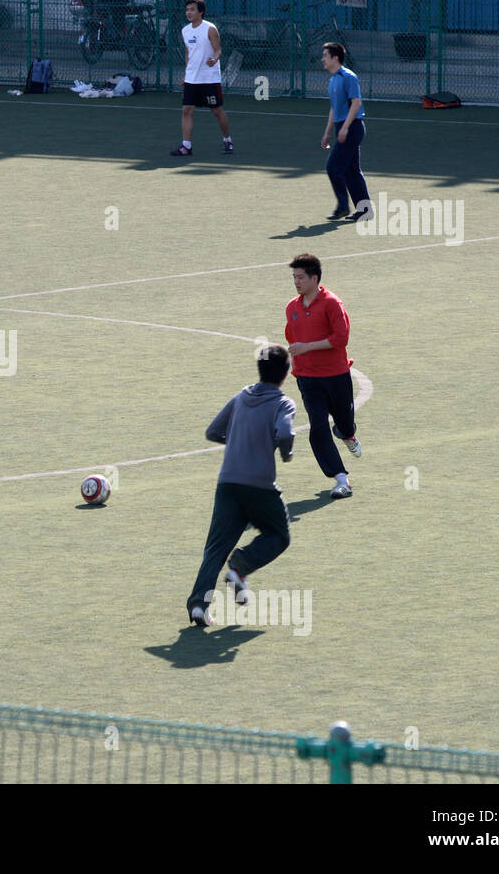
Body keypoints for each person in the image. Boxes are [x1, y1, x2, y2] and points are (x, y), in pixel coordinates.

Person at [186, 346, 297, 628]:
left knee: (215, 547)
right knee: (279, 535)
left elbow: (213, 431)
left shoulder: (240, 397)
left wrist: (239, 443)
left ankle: (199, 606)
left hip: (228, 483)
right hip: (259, 485)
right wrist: (285, 453)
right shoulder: (283, 404)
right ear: (286, 374)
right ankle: (240, 566)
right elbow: (285, 433)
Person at [284, 253, 359, 499]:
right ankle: (341, 479)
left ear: (314, 278)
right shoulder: (292, 308)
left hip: (336, 375)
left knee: (345, 423)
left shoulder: (332, 304)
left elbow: (341, 338)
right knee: (317, 427)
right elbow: (292, 337)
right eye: (294, 277)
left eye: (301, 277)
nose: (296, 282)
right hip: (307, 378)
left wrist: (308, 347)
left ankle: (347, 433)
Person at [169, 0, 233, 156]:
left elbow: (218, 49)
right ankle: (186, 146)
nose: (188, 13)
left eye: (192, 10)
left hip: (209, 79)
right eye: (187, 10)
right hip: (192, 79)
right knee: (186, 110)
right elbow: (188, 53)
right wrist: (186, 74)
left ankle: (227, 140)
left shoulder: (210, 28)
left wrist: (215, 58)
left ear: (201, 12)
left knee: (217, 111)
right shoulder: (185, 31)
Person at [319, 42, 372, 221]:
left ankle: (343, 207)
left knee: (333, 167)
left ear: (335, 58)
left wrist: (346, 127)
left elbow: (355, 103)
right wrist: (327, 133)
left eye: (325, 56)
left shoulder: (349, 76)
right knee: (352, 171)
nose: (322, 59)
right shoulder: (333, 79)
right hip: (343, 128)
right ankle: (365, 210)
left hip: (352, 127)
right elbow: (334, 109)